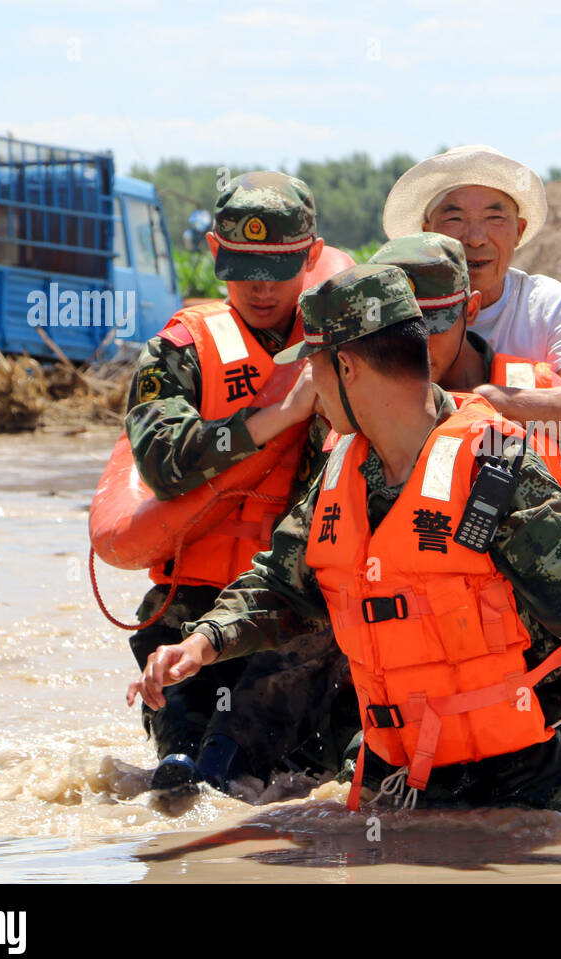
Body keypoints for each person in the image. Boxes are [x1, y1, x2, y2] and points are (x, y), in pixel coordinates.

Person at [129, 264, 561, 812]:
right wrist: (202, 643)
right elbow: (281, 584)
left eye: (315, 369)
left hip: (511, 779)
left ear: (346, 369)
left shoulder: (492, 467)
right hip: (392, 766)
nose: (310, 387)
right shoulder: (341, 466)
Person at [371, 232, 561, 770]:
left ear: (468, 310)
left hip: (532, 644)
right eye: (400, 332)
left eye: (433, 327)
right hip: (416, 652)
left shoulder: (540, 411)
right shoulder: (361, 410)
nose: (418, 348)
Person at [122, 171, 328, 790]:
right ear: (214, 251)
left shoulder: (342, 341)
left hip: (294, 598)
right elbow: (159, 458)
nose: (261, 286)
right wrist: (277, 418)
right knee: (184, 777)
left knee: (264, 771)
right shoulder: (177, 351)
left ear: (312, 257)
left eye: (280, 266)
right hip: (190, 599)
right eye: (242, 266)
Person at [383, 144, 561, 444]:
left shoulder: (551, 306)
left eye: (495, 219)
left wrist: (486, 400)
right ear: (427, 231)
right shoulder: (398, 305)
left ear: (518, 231)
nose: (476, 239)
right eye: (455, 219)